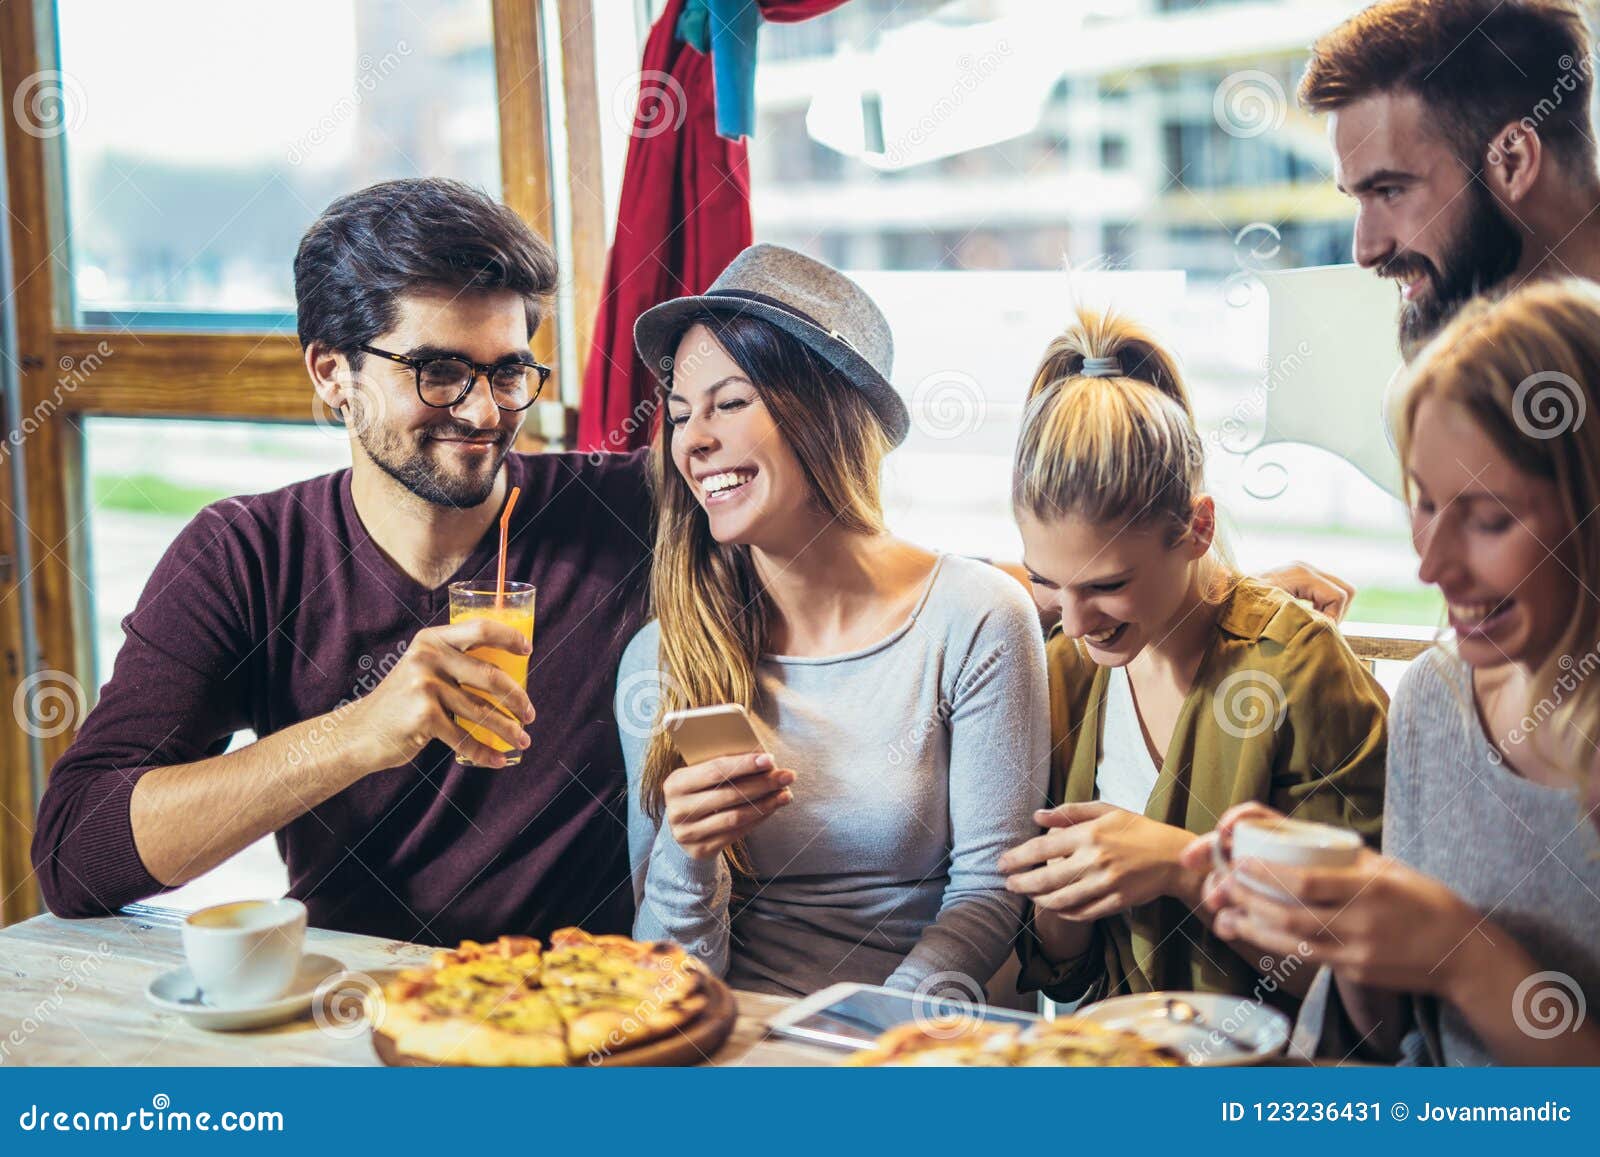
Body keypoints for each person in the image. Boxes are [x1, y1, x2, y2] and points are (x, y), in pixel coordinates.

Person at [31, 178, 651, 944]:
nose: (485, 411)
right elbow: (74, 855)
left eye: (507, 372)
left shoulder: (629, 509)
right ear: (332, 373)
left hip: (590, 997)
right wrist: (355, 733)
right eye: (438, 371)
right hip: (354, 1002)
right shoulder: (246, 557)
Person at [617, 245, 1050, 997]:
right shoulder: (663, 656)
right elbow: (665, 982)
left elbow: (989, 894)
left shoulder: (975, 618)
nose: (693, 439)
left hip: (913, 1036)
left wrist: (865, 1032)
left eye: (730, 403)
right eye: (681, 414)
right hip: (733, 1031)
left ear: (825, 414)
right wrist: (688, 855)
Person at [1187, 279, 1600, 1065]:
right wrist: (1349, 913)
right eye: (1425, 504)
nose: (1431, 565)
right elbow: (1390, 1044)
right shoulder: (1435, 699)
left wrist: (1462, 952)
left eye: (1490, 518)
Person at [998, 309, 1388, 1013]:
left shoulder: (1299, 671)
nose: (1076, 623)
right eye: (1048, 582)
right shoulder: (1067, 669)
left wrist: (1184, 871)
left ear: (1198, 528)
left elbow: (1366, 983)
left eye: (1108, 585)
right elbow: (1066, 976)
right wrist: (1060, 907)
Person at [1301, 0, 1600, 361]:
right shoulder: (1484, 356)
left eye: (1390, 191)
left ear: (1513, 163)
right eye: (1355, 198)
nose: (1364, 251)